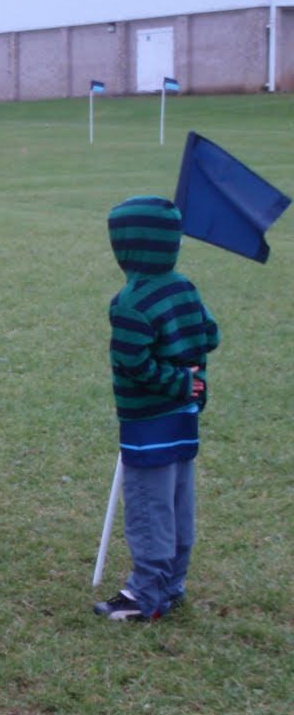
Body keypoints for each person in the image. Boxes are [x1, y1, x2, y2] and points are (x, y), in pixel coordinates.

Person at [96, 196, 220, 619]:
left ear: (127, 247)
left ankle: (147, 595)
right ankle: (173, 584)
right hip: (185, 420)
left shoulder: (130, 301)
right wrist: (190, 376)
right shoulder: (184, 287)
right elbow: (211, 334)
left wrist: (178, 382)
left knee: (150, 510)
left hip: (149, 423)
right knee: (178, 504)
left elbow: (132, 364)